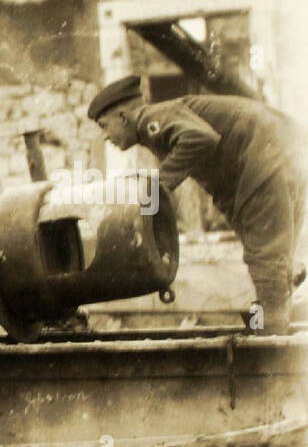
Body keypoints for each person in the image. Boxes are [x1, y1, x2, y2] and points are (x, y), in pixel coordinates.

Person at [87, 74, 308, 333]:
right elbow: (221, 177)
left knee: (265, 258)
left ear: (124, 117)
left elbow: (200, 137)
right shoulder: (163, 123)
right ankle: (271, 318)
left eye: (105, 125)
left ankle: (270, 342)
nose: (105, 136)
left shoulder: (152, 120)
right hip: (286, 150)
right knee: (270, 256)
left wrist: (159, 185)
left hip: (266, 157)